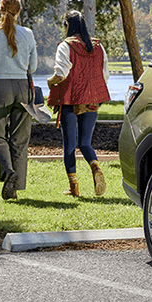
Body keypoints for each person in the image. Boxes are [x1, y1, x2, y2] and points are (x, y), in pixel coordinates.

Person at [0, 0, 36, 200]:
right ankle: (15, 185)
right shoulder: (28, 33)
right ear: (18, 11)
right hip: (22, 87)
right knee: (20, 139)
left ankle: (9, 173)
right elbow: (34, 66)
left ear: (0, 9)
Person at [47, 11, 109, 197]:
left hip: (70, 100)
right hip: (92, 99)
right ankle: (96, 168)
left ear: (68, 26)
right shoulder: (98, 46)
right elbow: (104, 75)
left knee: (69, 145)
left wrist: (50, 82)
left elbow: (61, 74)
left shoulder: (66, 46)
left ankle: (74, 188)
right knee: (85, 143)